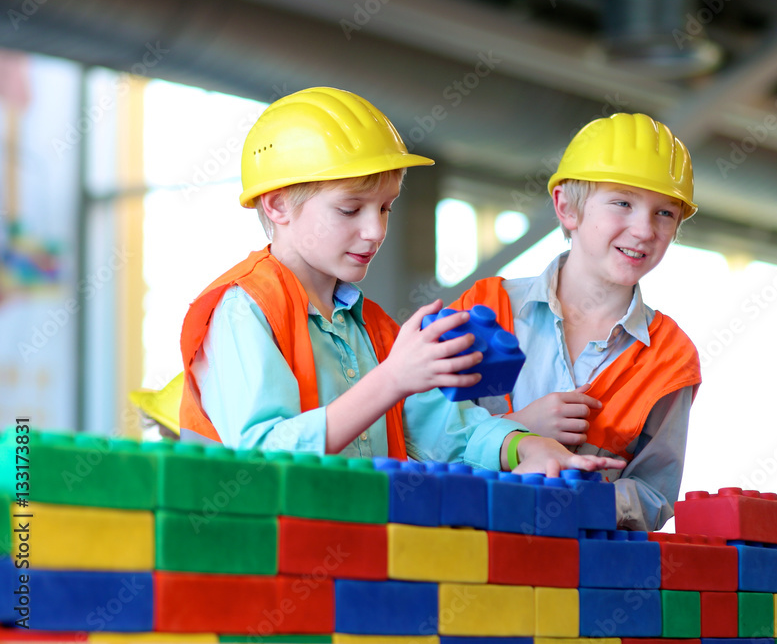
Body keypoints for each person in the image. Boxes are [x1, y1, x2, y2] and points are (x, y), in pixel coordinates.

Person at [179, 87, 624, 477]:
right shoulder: (245, 307)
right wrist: (391, 379)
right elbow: (259, 458)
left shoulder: (372, 328)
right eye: (350, 209)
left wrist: (523, 445)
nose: (375, 231)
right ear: (277, 206)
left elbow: (447, 431)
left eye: (385, 208)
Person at [452, 113, 701, 529]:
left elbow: (655, 491)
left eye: (665, 214)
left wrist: (586, 501)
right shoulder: (486, 309)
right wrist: (519, 429)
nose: (644, 230)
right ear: (567, 207)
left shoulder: (669, 358)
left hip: (587, 575)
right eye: (622, 203)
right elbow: (423, 438)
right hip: (468, 549)